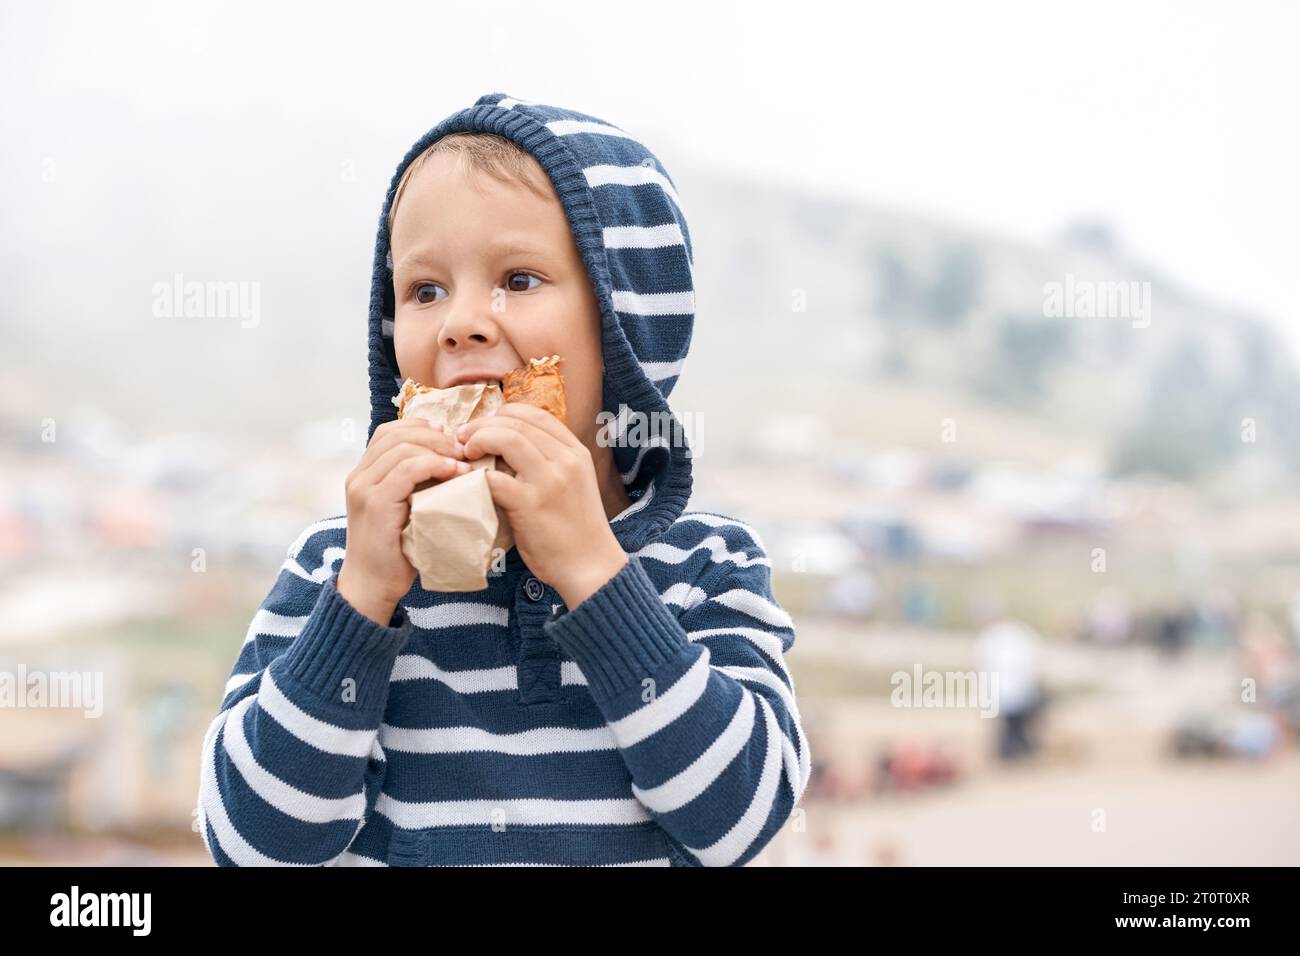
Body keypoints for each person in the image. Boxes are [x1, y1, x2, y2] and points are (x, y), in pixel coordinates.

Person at [195, 93, 811, 867]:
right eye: (425, 290)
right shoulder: (335, 569)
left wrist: (594, 572)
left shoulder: (706, 568)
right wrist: (360, 604)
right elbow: (254, 845)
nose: (461, 321)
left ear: (623, 334)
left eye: (518, 280)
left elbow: (741, 817)